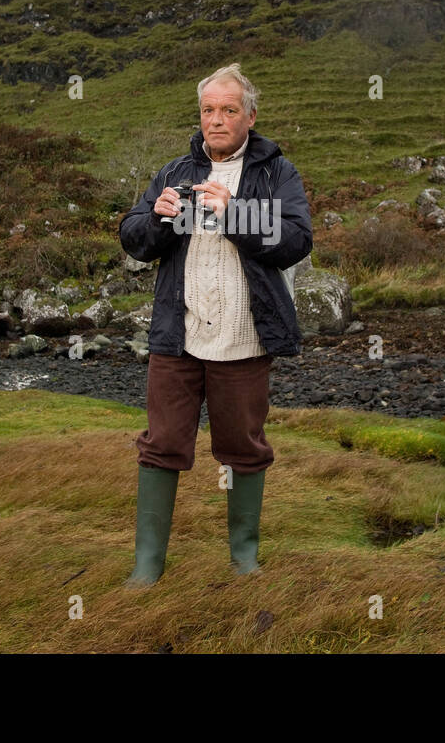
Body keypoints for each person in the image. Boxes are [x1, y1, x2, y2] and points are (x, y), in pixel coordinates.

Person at [117, 63, 312, 587]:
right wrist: (156, 219)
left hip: (244, 340)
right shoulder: (174, 171)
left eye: (228, 110)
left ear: (250, 115)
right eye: (208, 110)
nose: (217, 119)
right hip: (176, 339)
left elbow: (295, 241)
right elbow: (133, 238)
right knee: (161, 445)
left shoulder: (277, 173)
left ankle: (243, 559)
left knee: (243, 448)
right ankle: (146, 568)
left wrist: (237, 213)